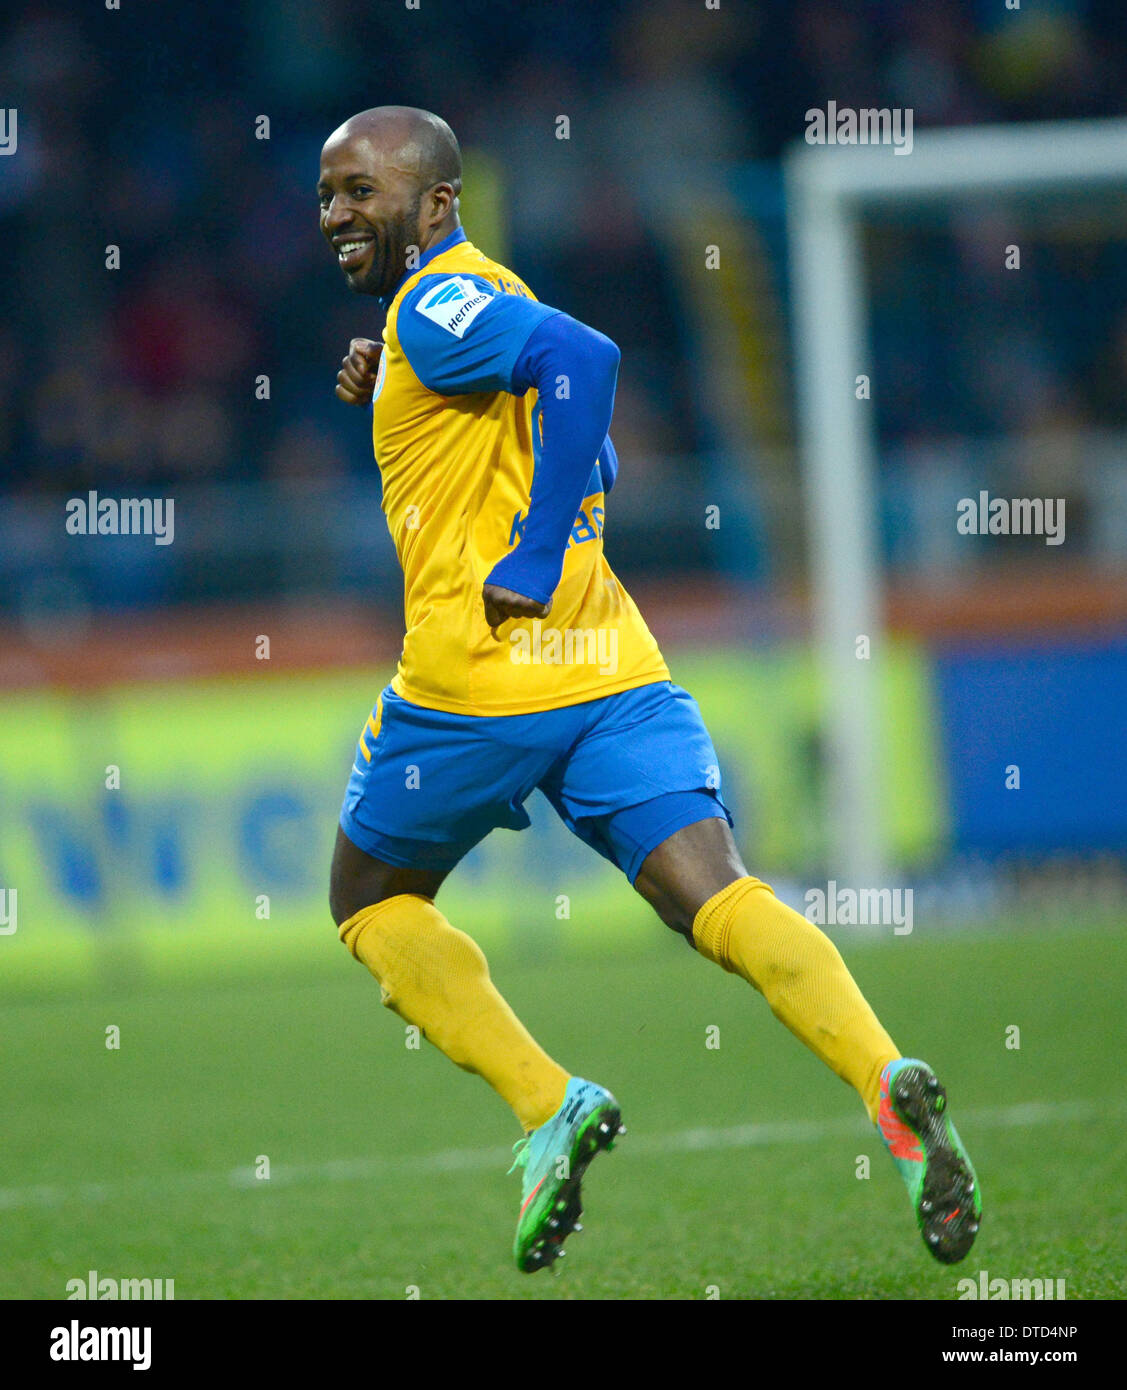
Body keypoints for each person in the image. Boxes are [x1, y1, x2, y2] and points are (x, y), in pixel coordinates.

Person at [318, 105, 980, 1274]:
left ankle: (545, 1103)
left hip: (475, 677)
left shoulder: (436, 305)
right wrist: (392, 377)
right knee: (712, 894)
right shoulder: (460, 302)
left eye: (360, 192)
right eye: (326, 194)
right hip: (612, 668)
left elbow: (585, 361)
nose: (334, 215)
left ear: (434, 205)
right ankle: (886, 1082)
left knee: (368, 899)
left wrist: (522, 554)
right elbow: (593, 443)